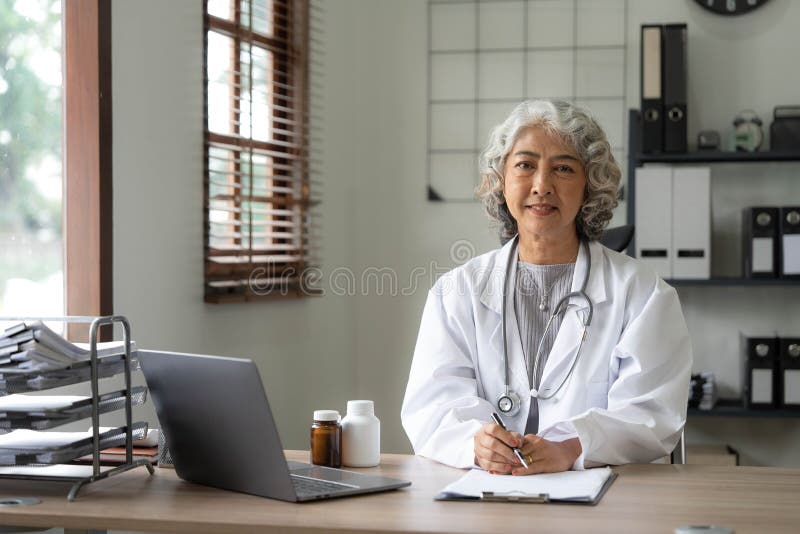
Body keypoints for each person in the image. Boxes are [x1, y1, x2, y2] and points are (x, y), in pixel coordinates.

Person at [401, 99, 692, 475]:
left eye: (564, 168)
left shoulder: (644, 295)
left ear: (590, 185)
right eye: (525, 165)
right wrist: (477, 443)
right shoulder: (456, 292)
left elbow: (652, 414)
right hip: (485, 497)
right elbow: (432, 407)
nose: (542, 185)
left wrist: (572, 448)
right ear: (501, 179)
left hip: (601, 504)